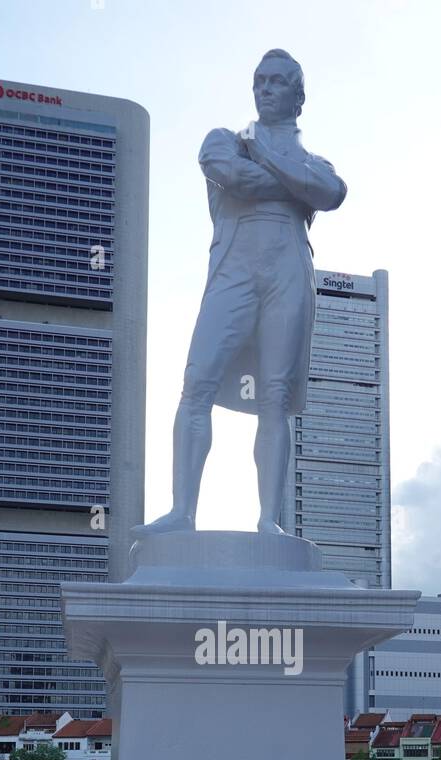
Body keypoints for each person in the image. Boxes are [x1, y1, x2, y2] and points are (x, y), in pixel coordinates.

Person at [132, 49, 346, 538]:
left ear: (299, 95)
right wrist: (296, 187)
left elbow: (331, 192)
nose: (265, 89)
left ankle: (269, 521)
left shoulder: (316, 161)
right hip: (233, 270)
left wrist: (272, 159)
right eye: (259, 81)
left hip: (289, 272)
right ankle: (181, 512)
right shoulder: (223, 140)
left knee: (275, 397)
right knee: (197, 381)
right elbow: (232, 175)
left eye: (277, 81)